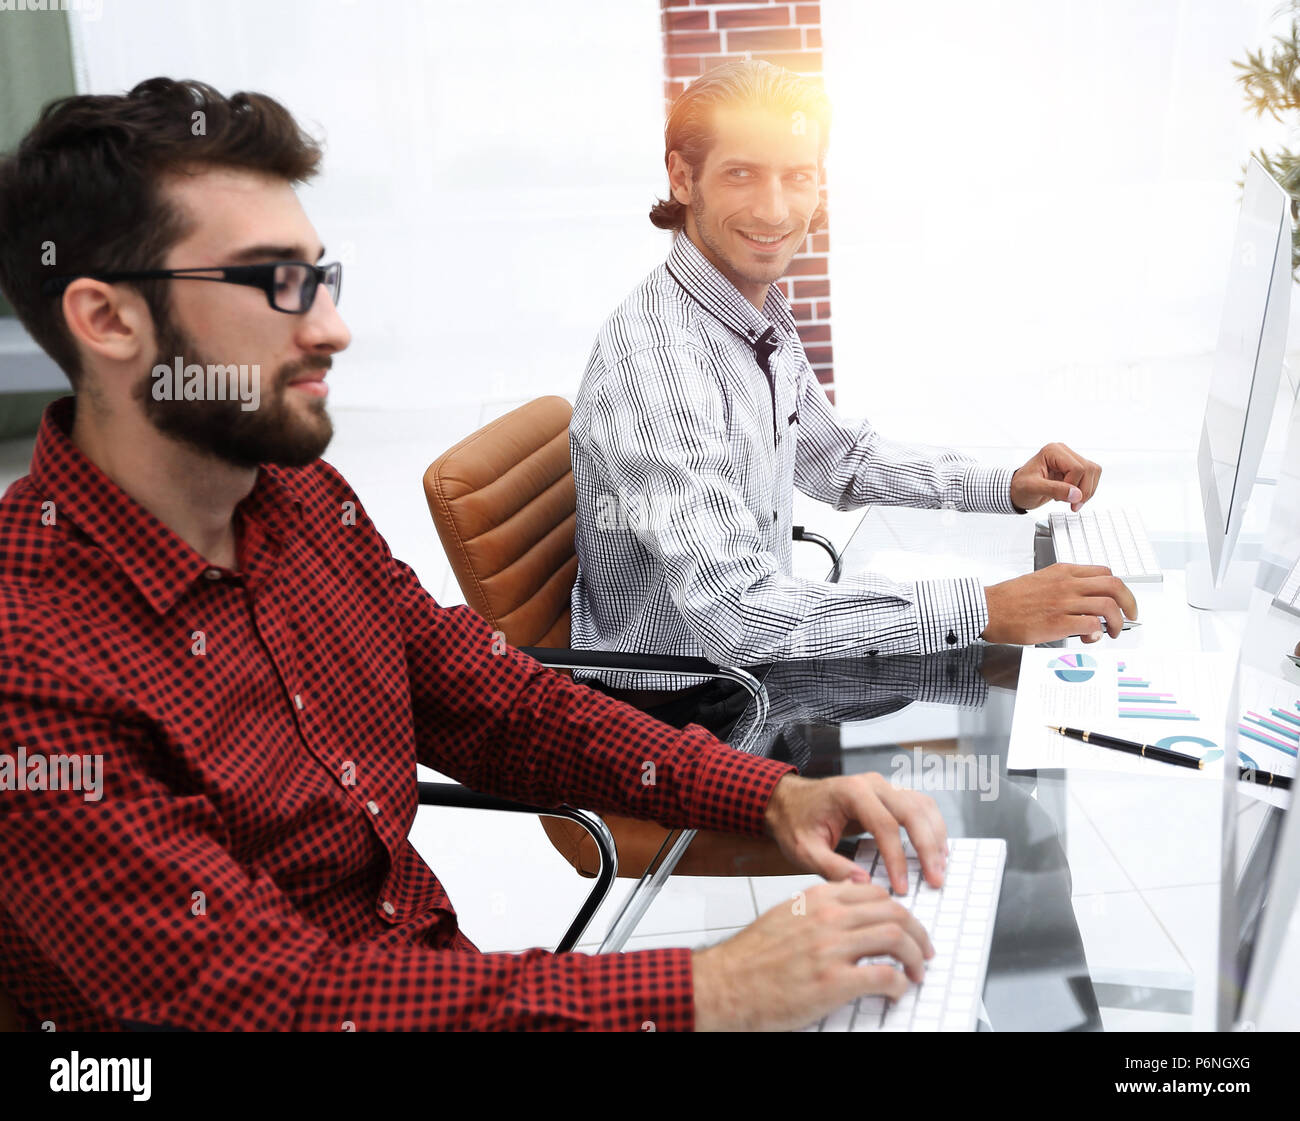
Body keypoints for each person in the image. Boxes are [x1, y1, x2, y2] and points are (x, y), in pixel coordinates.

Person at [0, 78, 947, 1032]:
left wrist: (773, 792)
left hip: (441, 986)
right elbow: (270, 998)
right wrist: (709, 988)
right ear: (109, 320)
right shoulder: (31, 666)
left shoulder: (295, 500)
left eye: (320, 279)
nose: (332, 328)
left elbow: (497, 700)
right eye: (273, 282)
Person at [570, 60, 1138, 684]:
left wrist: (1006, 484)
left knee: (1018, 698)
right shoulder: (658, 362)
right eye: (741, 175)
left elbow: (839, 460)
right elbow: (738, 616)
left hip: (760, 659)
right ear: (683, 177)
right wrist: (984, 609)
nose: (775, 210)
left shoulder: (745, 307)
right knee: (1000, 727)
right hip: (697, 709)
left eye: (798, 177)